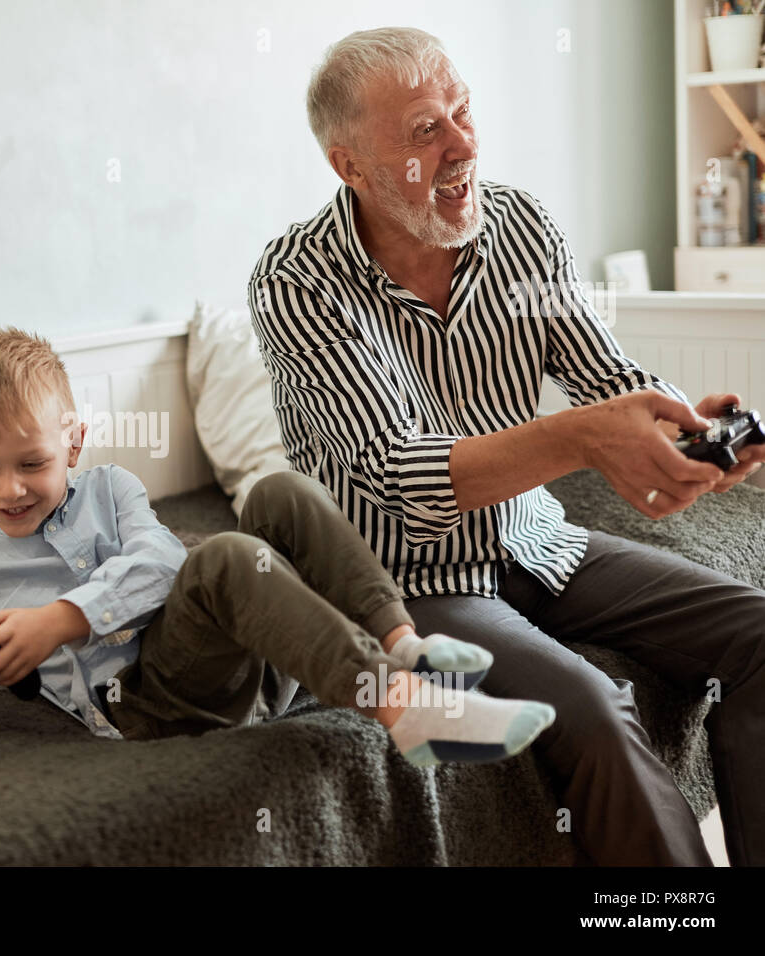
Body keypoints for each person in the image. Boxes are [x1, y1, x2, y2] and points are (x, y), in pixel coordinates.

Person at [247, 25, 765, 865]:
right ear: (350, 167)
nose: (462, 145)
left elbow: (607, 376)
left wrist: (686, 428)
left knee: (758, 631)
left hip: (538, 541)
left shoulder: (519, 227)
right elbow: (400, 474)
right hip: (401, 581)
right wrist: (584, 439)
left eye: (463, 112)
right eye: (425, 130)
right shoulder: (298, 281)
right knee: (595, 710)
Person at [0, 326, 555, 766]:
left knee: (276, 495)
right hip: (146, 704)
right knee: (224, 558)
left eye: (31, 463)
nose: (8, 490)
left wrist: (63, 618)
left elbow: (162, 562)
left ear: (72, 440)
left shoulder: (112, 489)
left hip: (241, 668)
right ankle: (412, 709)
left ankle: (401, 643)